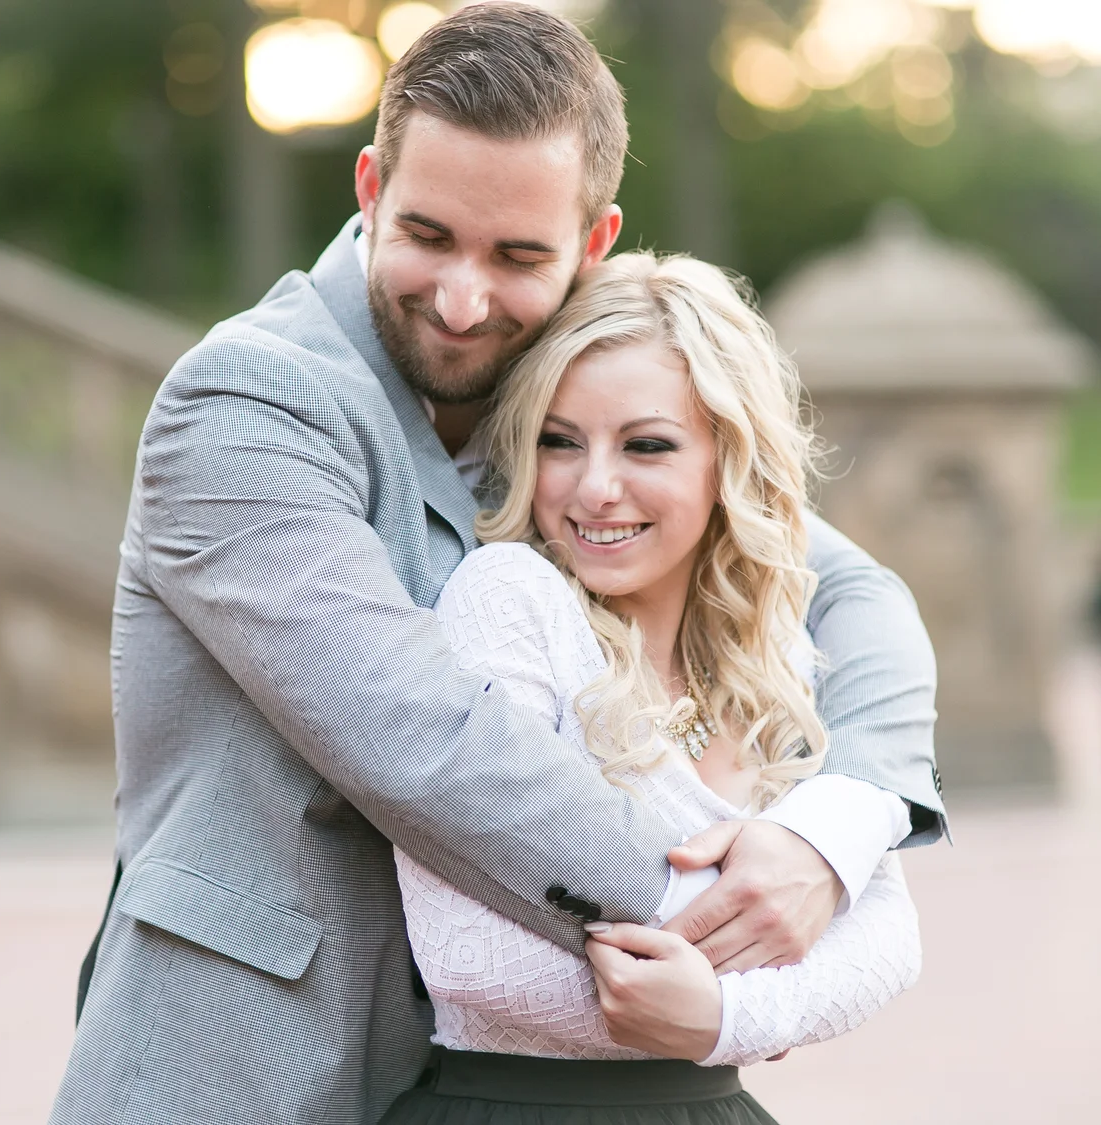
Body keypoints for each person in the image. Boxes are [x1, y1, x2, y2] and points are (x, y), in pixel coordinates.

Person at [50, 6, 944, 1124]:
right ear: (370, 187)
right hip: (245, 1068)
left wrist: (833, 834)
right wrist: (739, 923)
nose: (464, 301)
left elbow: (852, 591)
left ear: (595, 244)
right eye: (427, 235)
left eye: (519, 256)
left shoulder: (555, 403)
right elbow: (431, 746)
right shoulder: (246, 406)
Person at [385, 251, 921, 1124]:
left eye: (647, 445)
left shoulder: (770, 648)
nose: (595, 487)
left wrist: (724, 1017)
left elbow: (891, 938)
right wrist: (745, 988)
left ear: (727, 461)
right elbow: (470, 953)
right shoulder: (510, 599)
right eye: (560, 441)